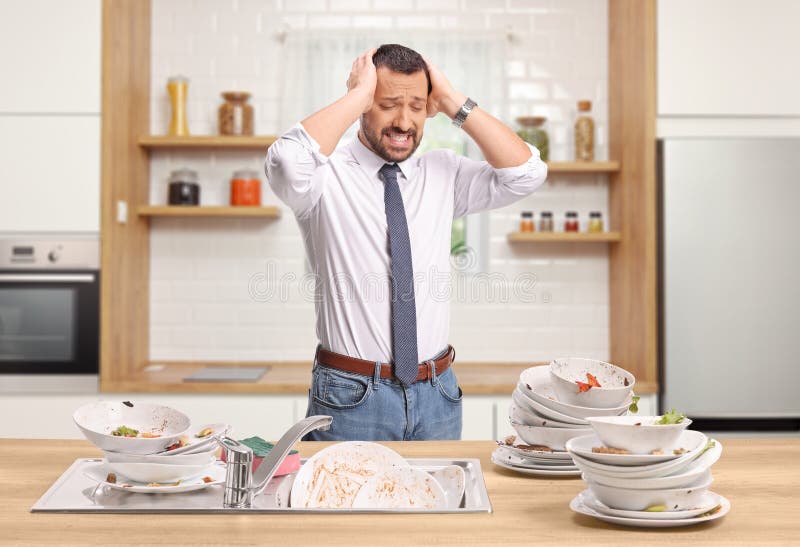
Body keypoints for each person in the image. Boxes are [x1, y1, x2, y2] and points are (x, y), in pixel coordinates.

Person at [265, 44, 547, 441]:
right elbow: (284, 161)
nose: (403, 121)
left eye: (416, 106)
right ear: (363, 105)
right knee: (346, 505)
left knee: (442, 502)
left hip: (438, 393)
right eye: (387, 104)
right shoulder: (323, 177)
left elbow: (527, 174)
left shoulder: (443, 172)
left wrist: (451, 101)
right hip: (351, 396)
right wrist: (356, 95)